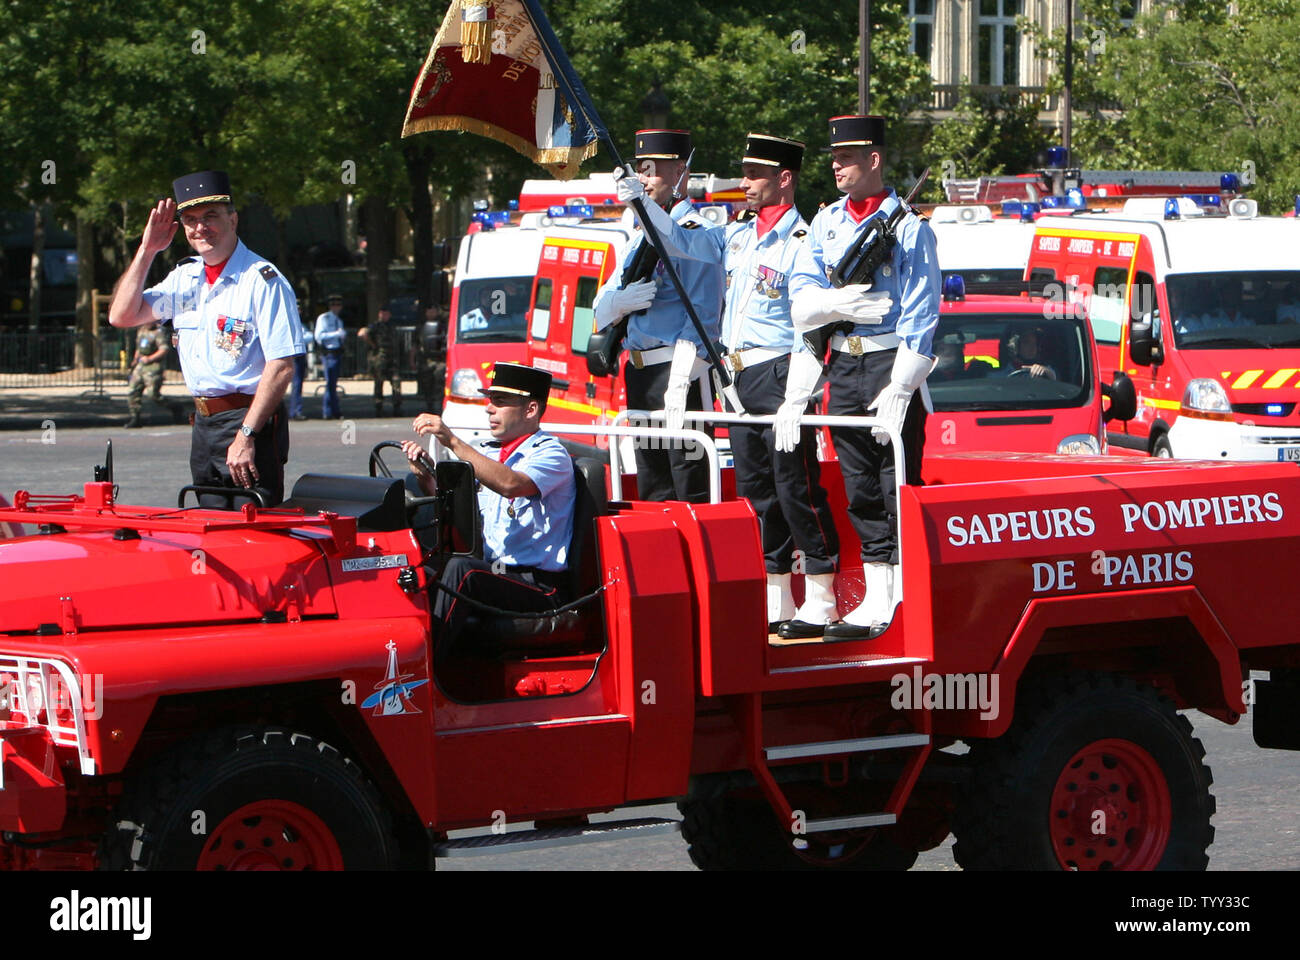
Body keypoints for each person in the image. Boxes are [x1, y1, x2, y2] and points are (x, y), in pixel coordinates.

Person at [615, 133, 842, 637]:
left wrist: (801, 391)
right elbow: (677, 242)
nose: (744, 184)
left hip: (782, 370)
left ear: (785, 179)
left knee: (795, 486)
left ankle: (823, 595)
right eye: (744, 173)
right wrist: (641, 202)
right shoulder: (735, 235)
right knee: (757, 491)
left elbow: (810, 324)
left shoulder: (803, 241)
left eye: (755, 176)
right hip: (736, 374)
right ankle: (777, 595)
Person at [787, 115, 941, 640]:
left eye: (847, 158)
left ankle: (901, 592)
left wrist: (901, 385)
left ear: (874, 159)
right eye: (834, 158)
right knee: (859, 487)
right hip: (843, 363)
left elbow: (922, 313)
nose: (836, 166)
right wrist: (831, 302)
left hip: (887, 360)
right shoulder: (826, 222)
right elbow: (801, 295)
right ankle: (875, 594)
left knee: (894, 481)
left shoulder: (911, 227)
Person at [108, 169, 305, 507]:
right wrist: (147, 250)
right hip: (204, 423)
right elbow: (121, 315)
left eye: (210, 216)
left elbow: (282, 365)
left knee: (255, 533)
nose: (201, 228)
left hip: (248, 421)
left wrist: (246, 435)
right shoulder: (185, 278)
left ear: (233, 219)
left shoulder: (261, 280)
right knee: (211, 530)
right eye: (190, 220)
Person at [591, 129, 725, 503]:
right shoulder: (637, 237)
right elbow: (600, 310)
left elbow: (704, 315)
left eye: (654, 171)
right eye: (641, 170)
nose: (644, 179)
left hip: (679, 369)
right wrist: (620, 302)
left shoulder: (697, 232)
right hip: (639, 372)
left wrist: (680, 380)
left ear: (681, 172)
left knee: (689, 480)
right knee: (652, 481)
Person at [403, 361, 576, 645]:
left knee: (464, 571)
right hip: (496, 574)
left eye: (499, 402)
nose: (488, 408)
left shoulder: (551, 454)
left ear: (531, 410)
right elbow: (457, 508)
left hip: (539, 585)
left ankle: (427, 669)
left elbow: (511, 484)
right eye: (489, 400)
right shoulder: (487, 453)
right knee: (419, 570)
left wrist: (452, 441)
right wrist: (425, 477)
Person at [124, 320, 178, 427]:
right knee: (133, 391)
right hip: (140, 366)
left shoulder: (158, 332)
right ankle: (135, 417)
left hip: (153, 367)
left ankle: (175, 407)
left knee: (153, 394)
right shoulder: (141, 331)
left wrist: (150, 358)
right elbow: (139, 348)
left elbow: (163, 349)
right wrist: (135, 360)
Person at [363, 301, 402, 418]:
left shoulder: (392, 326)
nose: (384, 315)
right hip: (380, 360)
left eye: (386, 313)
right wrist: (373, 345)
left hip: (392, 360)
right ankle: (378, 408)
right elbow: (363, 334)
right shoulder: (375, 326)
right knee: (379, 384)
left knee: (396, 382)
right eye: (382, 313)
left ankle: (397, 407)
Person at [314, 294, 346, 419]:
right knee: (330, 383)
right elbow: (319, 336)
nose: (336, 307)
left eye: (338, 305)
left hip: (337, 352)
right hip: (328, 353)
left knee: (333, 383)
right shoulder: (324, 318)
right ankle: (328, 411)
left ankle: (334, 410)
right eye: (333, 304)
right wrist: (336, 334)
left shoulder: (339, 320)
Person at [414, 300, 446, 413]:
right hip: (425, 360)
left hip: (440, 360)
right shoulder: (420, 327)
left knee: (440, 384)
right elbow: (415, 345)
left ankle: (440, 407)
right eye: (429, 311)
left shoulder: (443, 326)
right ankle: (430, 407)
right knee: (427, 385)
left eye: (434, 311)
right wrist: (412, 360)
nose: (432, 313)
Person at [288, 300, 312, 420]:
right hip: (294, 357)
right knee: (296, 384)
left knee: (298, 384)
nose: (299, 311)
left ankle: (296, 410)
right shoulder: (289, 324)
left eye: (299, 309)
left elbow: (310, 337)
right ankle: (295, 411)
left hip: (301, 356)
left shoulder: (301, 325)